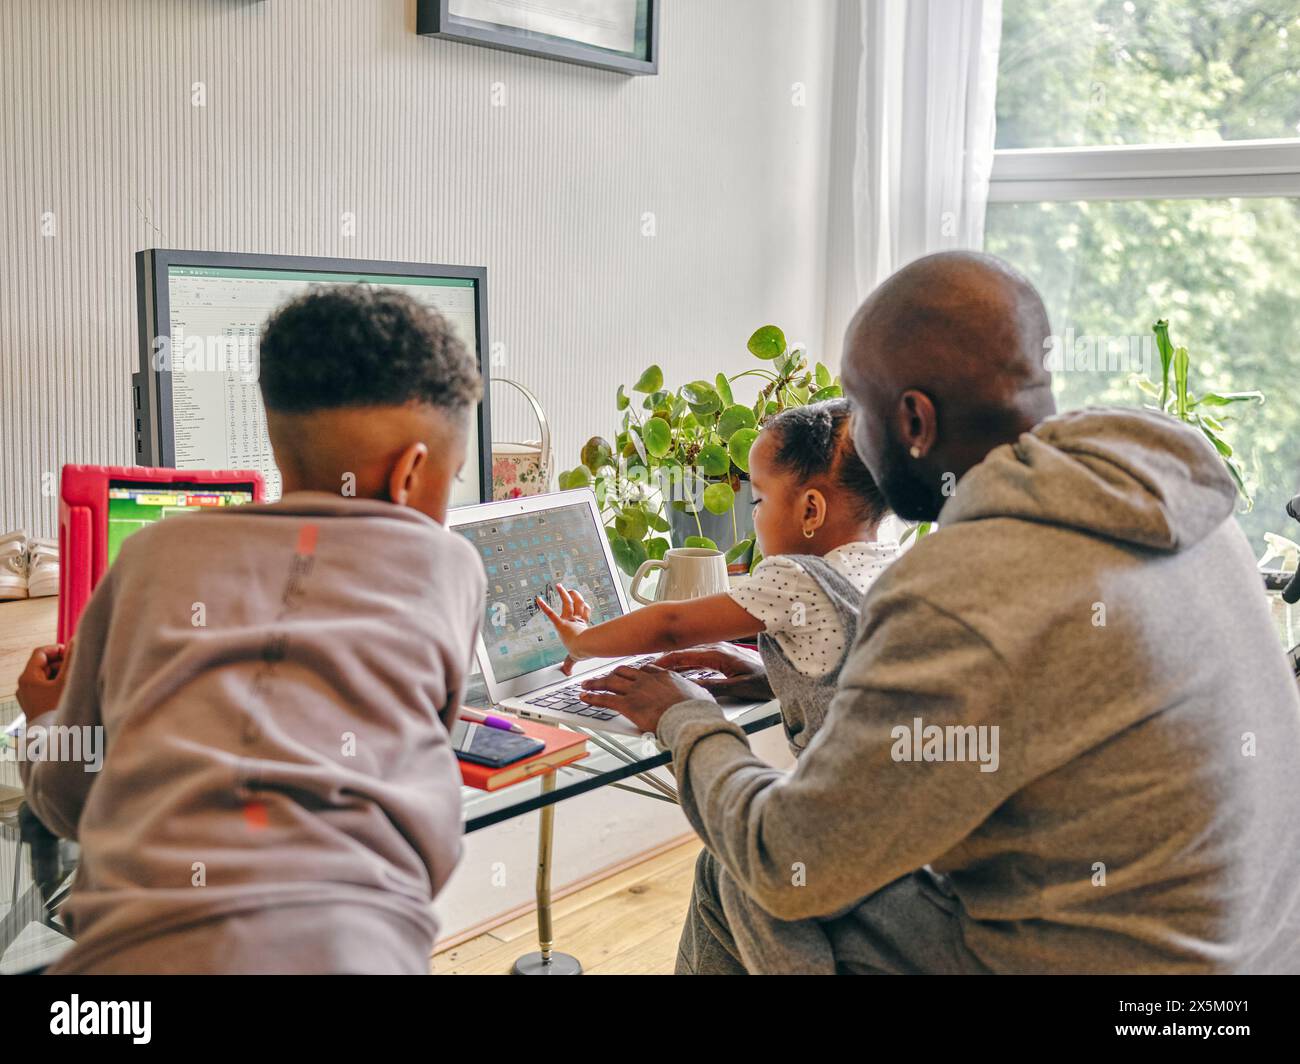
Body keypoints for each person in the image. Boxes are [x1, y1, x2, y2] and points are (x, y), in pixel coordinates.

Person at [577, 250, 1300, 974]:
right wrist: (784, 678)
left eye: (858, 411)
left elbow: (784, 859)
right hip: (1246, 965)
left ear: (914, 419)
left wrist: (684, 714)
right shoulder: (1181, 511)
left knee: (746, 869)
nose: (856, 440)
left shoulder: (963, 589)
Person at [15, 285, 486, 974]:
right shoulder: (449, 566)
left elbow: (68, 793)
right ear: (413, 474)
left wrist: (43, 717)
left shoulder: (152, 556)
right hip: (354, 952)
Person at [536, 400, 896, 754]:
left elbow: (671, 625)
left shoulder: (798, 577)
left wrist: (581, 640)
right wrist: (770, 677)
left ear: (811, 511)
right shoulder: (893, 565)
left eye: (758, 502)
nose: (754, 517)